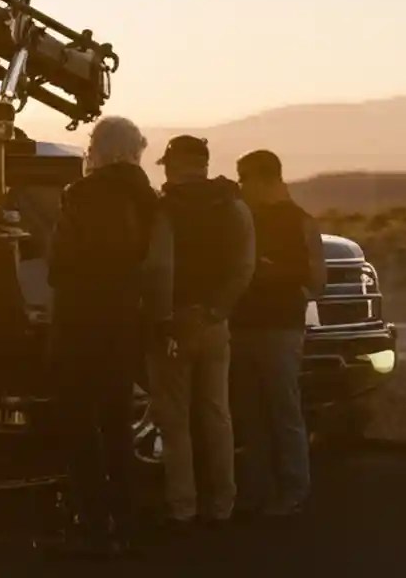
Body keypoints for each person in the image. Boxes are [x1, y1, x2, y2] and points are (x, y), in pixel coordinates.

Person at [47, 116, 172, 556]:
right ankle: (127, 515)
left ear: (97, 149)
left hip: (80, 322)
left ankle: (92, 520)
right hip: (124, 322)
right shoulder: (150, 200)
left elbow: (59, 266)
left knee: (80, 423)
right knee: (117, 423)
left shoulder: (79, 196)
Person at [148, 135, 256, 528]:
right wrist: (216, 310)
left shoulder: (163, 210)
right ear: (205, 164)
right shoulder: (233, 206)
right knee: (216, 414)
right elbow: (244, 267)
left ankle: (183, 506)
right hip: (214, 325)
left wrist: (163, 318)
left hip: (174, 325)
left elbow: (159, 268)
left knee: (175, 421)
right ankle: (223, 502)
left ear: (175, 165)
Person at [231, 149, 325, 519]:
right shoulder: (247, 220)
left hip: (280, 330)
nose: (242, 185)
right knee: (252, 415)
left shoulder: (299, 221)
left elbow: (317, 280)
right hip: (245, 328)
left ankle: (293, 490)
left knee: (282, 411)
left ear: (265, 178)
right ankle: (259, 490)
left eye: (246, 178)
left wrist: (279, 283)